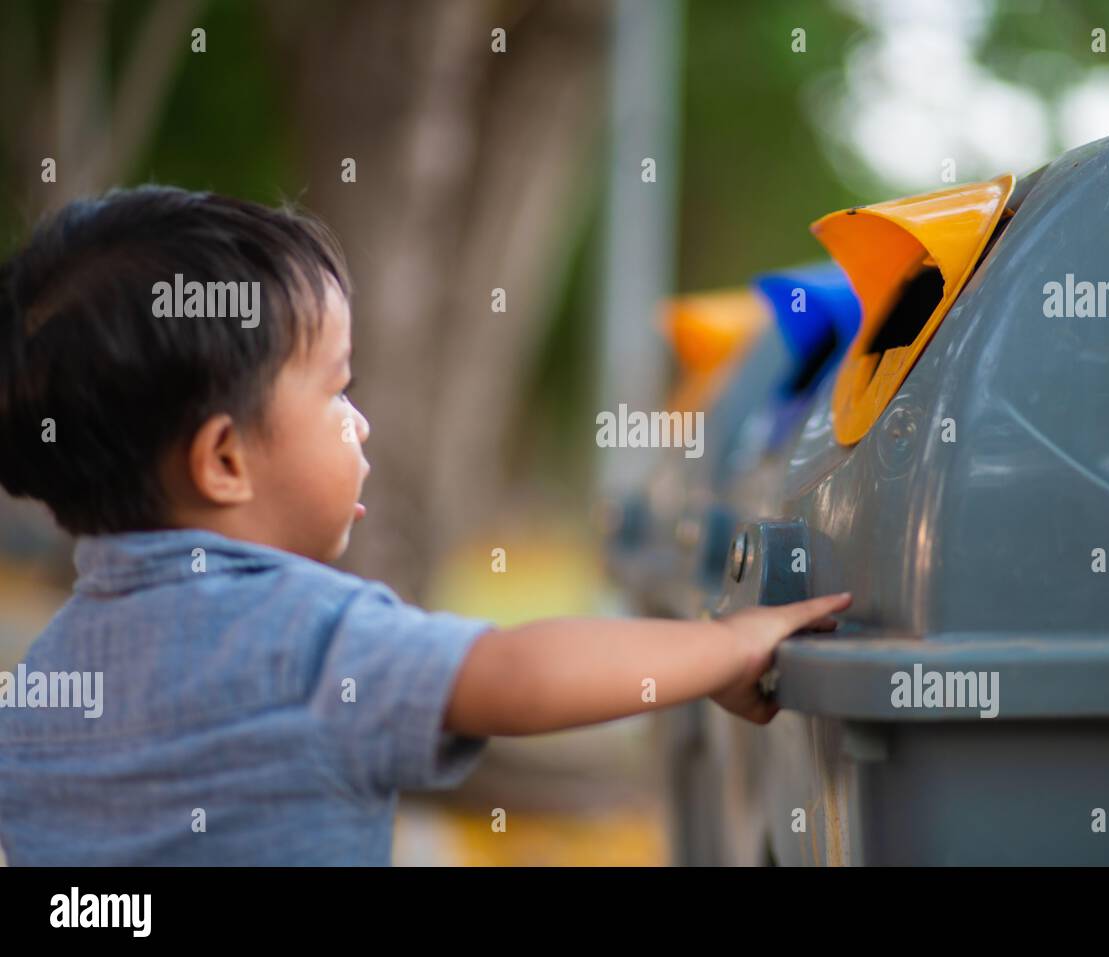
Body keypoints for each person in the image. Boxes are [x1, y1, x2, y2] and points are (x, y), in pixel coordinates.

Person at [0, 186, 851, 864]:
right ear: (223, 460)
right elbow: (516, 673)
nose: (359, 421)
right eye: (337, 390)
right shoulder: (309, 639)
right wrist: (728, 647)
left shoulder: (40, 680)